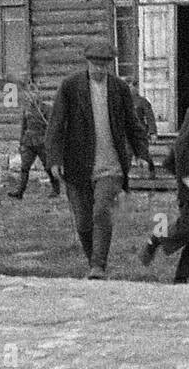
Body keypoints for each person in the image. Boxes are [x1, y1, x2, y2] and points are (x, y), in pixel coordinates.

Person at [45, 37, 152, 279]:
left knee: (102, 211)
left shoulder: (119, 89)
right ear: (87, 63)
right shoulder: (70, 87)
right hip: (77, 164)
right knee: (83, 223)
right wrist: (54, 160)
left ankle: (98, 266)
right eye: (95, 65)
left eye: (104, 66)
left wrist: (142, 153)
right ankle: (94, 261)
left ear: (110, 65)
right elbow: (55, 126)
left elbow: (133, 125)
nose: (99, 70)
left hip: (111, 165)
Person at [138, 99, 189, 283]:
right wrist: (187, 178)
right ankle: (158, 235)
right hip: (188, 170)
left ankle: (185, 277)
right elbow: (181, 144)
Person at [7, 81, 61, 199]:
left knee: (48, 166)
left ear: (38, 94)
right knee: (24, 167)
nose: (31, 97)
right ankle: (20, 192)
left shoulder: (46, 109)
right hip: (28, 142)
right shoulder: (27, 109)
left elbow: (51, 126)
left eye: (34, 94)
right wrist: (21, 142)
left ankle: (56, 190)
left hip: (42, 141)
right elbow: (24, 126)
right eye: (29, 94)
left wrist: (50, 142)